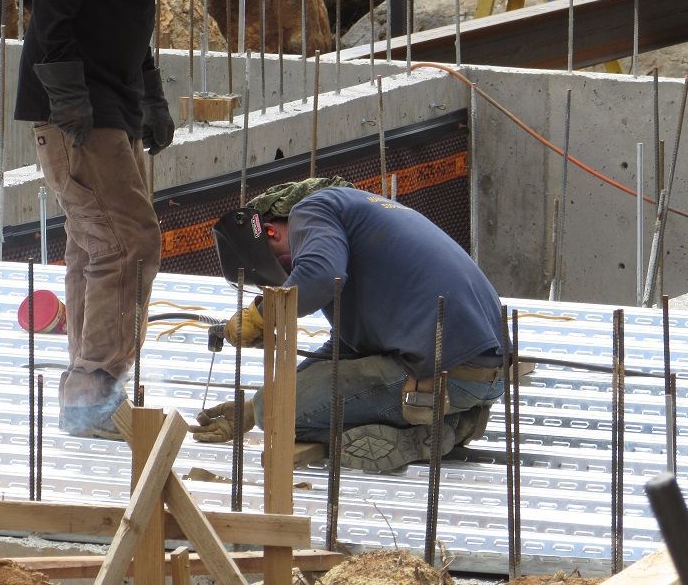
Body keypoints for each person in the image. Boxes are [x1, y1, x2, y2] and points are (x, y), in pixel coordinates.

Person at [14, 0, 280, 439]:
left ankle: (88, 390)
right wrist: (64, 89)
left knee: (96, 242)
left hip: (113, 98)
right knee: (128, 244)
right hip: (79, 102)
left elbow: (128, 19)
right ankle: (95, 393)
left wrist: (151, 93)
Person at [196, 178, 506, 473]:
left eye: (282, 272)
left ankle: (416, 438)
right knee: (270, 405)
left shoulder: (311, 211)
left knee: (274, 412)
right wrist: (254, 407)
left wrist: (261, 316)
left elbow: (318, 276)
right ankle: (454, 419)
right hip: (479, 372)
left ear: (271, 232)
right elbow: (347, 348)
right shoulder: (353, 221)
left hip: (445, 372)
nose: (286, 282)